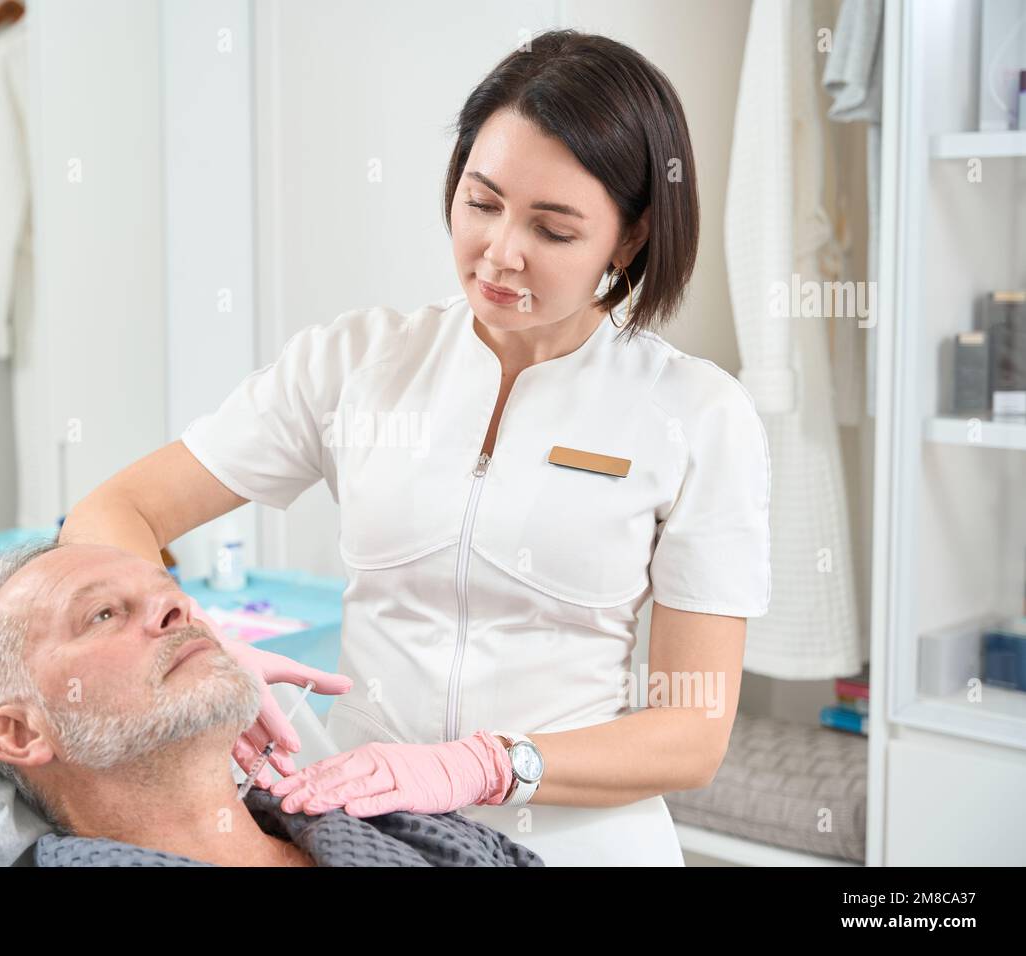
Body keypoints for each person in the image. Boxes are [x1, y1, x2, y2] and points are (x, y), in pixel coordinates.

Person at [58, 29, 771, 865]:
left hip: (579, 838)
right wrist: (198, 649)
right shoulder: (356, 363)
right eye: (482, 201)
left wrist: (485, 766)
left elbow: (692, 734)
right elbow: (113, 512)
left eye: (554, 228)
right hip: (356, 824)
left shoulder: (698, 414)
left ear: (630, 236)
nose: (501, 251)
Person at [0, 540, 542, 867]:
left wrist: (496, 764)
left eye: (169, 593)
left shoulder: (419, 835)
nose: (181, 612)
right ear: (21, 734)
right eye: (102, 614)